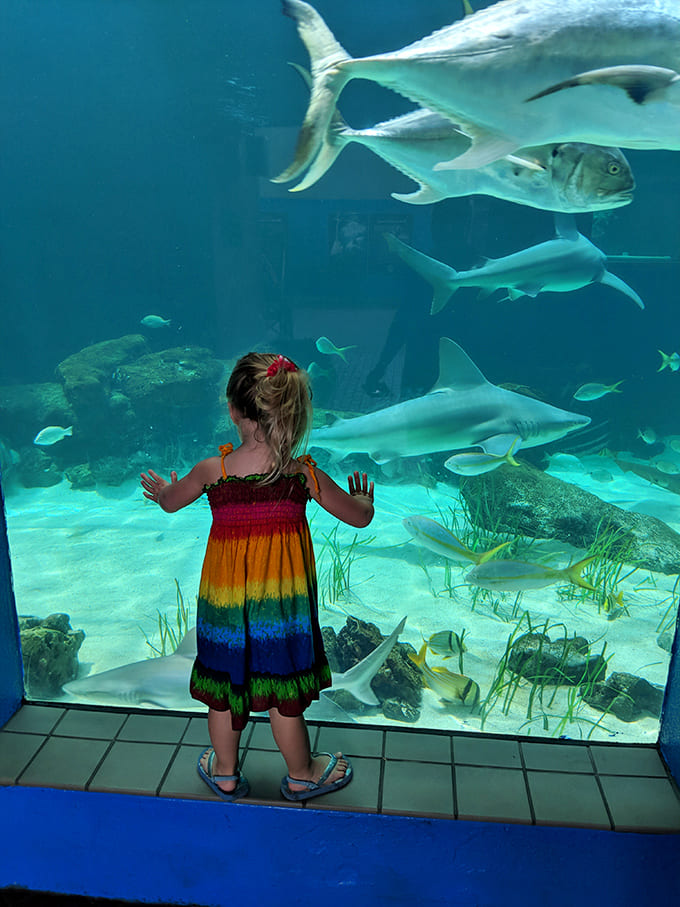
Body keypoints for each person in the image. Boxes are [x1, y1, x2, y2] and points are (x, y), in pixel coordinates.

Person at [140, 352, 375, 803]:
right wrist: (363, 500)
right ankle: (303, 774)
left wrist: (162, 491)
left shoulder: (215, 470)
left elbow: (171, 502)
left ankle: (225, 773)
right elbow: (358, 519)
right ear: (293, 410)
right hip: (280, 612)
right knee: (284, 696)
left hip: (224, 608)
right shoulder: (303, 474)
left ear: (232, 409)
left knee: (223, 693)